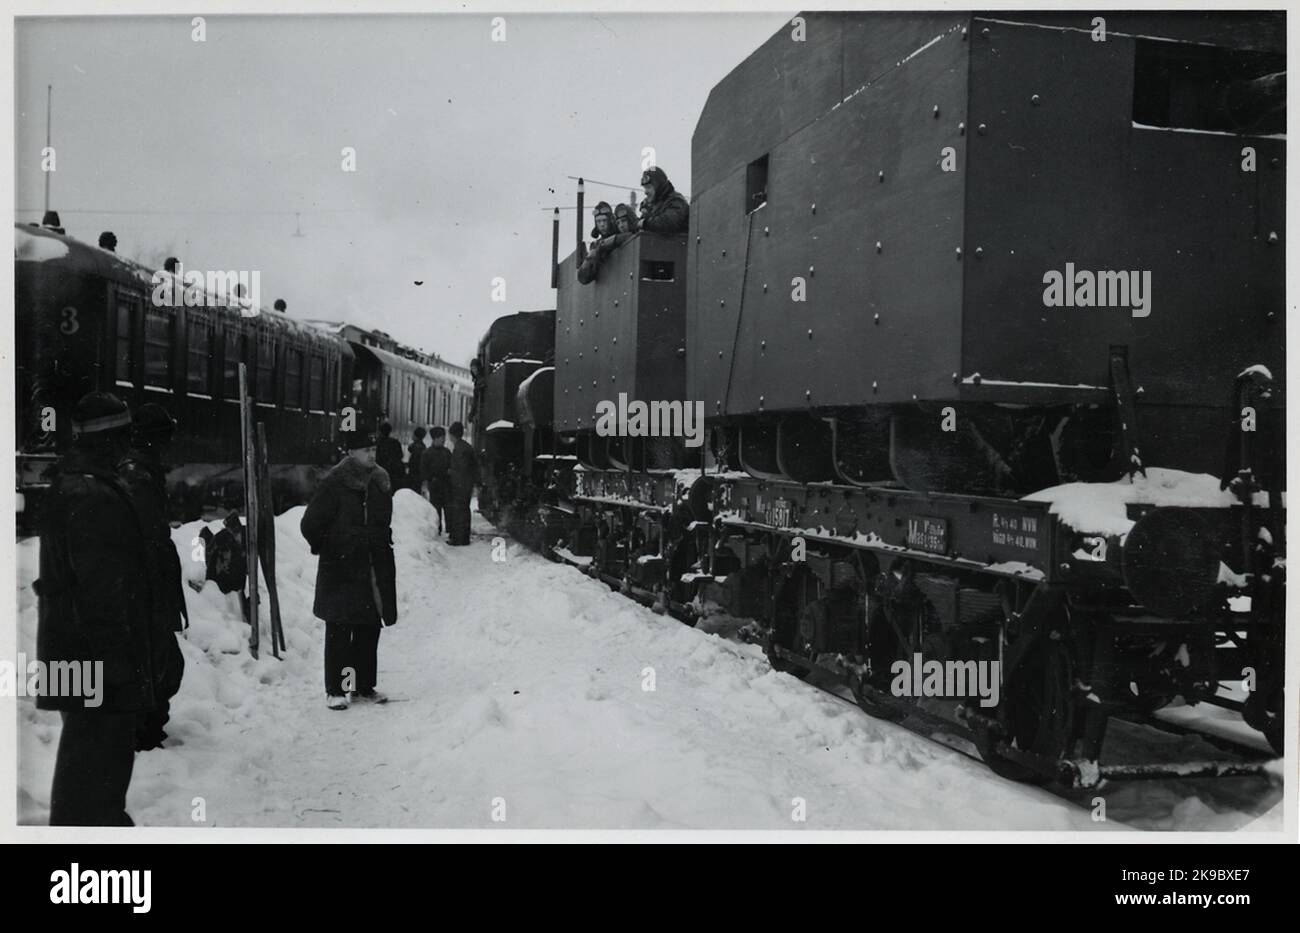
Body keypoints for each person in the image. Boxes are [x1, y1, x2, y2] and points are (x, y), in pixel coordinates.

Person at [37, 392, 153, 825]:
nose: (127, 450)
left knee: (84, 764)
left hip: (76, 652)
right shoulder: (94, 495)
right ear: (110, 441)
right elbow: (102, 588)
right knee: (98, 769)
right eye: (123, 439)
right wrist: (119, 662)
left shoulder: (73, 483)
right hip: (99, 661)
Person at [300, 425, 398, 710]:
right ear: (352, 452)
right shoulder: (335, 482)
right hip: (342, 568)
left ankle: (364, 686)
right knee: (341, 628)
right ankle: (338, 689)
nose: (372, 455)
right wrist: (334, 546)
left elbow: (384, 522)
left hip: (371, 567)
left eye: (374, 450)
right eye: (366, 450)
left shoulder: (380, 481)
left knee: (369, 627)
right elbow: (310, 524)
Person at [118, 403, 187, 752]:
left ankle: (147, 727)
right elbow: (148, 539)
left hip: (146, 584)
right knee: (160, 662)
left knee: (160, 660)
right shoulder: (140, 475)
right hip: (144, 586)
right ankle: (144, 730)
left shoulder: (140, 470)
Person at [446, 421, 479, 546]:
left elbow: (462, 468)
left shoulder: (460, 448)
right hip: (465, 484)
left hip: (460, 485)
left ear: (452, 435)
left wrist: (451, 472)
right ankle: (463, 538)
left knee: (459, 511)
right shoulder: (465, 446)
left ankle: (459, 539)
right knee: (463, 510)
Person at [577, 202, 626, 285]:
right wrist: (589, 258)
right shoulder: (595, 245)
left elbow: (627, 236)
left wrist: (604, 245)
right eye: (598, 221)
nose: (602, 224)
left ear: (610, 220)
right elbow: (583, 278)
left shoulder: (620, 231)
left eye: (604, 220)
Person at [638, 166, 690, 235]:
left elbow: (668, 222)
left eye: (648, 187)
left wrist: (645, 223)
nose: (645, 192)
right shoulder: (653, 207)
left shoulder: (676, 201)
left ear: (658, 186)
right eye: (645, 188)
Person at [421, 426, 452, 535]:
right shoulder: (427, 453)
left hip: (446, 484)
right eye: (441, 437)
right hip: (434, 485)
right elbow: (423, 470)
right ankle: (436, 529)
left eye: (444, 437)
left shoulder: (447, 452)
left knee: (448, 507)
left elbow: (451, 466)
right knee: (435, 509)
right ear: (435, 438)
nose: (443, 440)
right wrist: (430, 479)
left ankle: (450, 529)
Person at [375, 421, 404, 491]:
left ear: (380, 431)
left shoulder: (377, 443)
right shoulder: (395, 442)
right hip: (394, 472)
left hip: (380, 471)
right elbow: (400, 455)